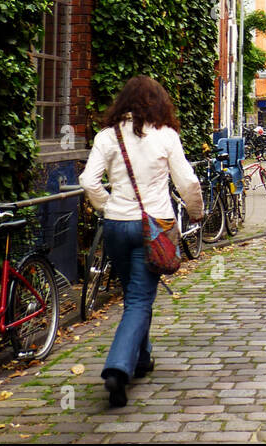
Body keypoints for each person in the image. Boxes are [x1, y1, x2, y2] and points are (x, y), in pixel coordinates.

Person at [79, 76, 203, 408]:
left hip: (118, 227)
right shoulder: (166, 136)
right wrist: (196, 212)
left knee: (134, 292)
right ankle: (118, 369)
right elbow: (188, 182)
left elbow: (89, 181)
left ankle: (142, 356)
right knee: (138, 300)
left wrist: (109, 206)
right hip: (155, 227)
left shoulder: (108, 136)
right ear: (158, 102)